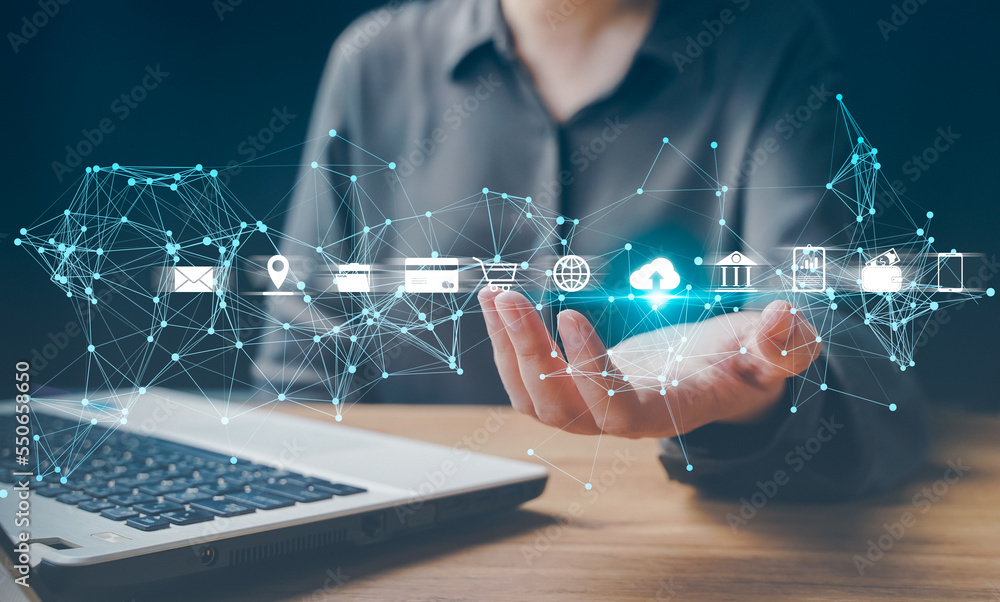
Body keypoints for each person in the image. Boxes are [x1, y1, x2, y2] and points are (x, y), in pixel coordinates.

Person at [260, 0, 930, 499]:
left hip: (673, 540)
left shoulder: (771, 44)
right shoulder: (375, 59)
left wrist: (753, 394)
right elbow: (302, 368)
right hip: (408, 542)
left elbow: (827, 323)